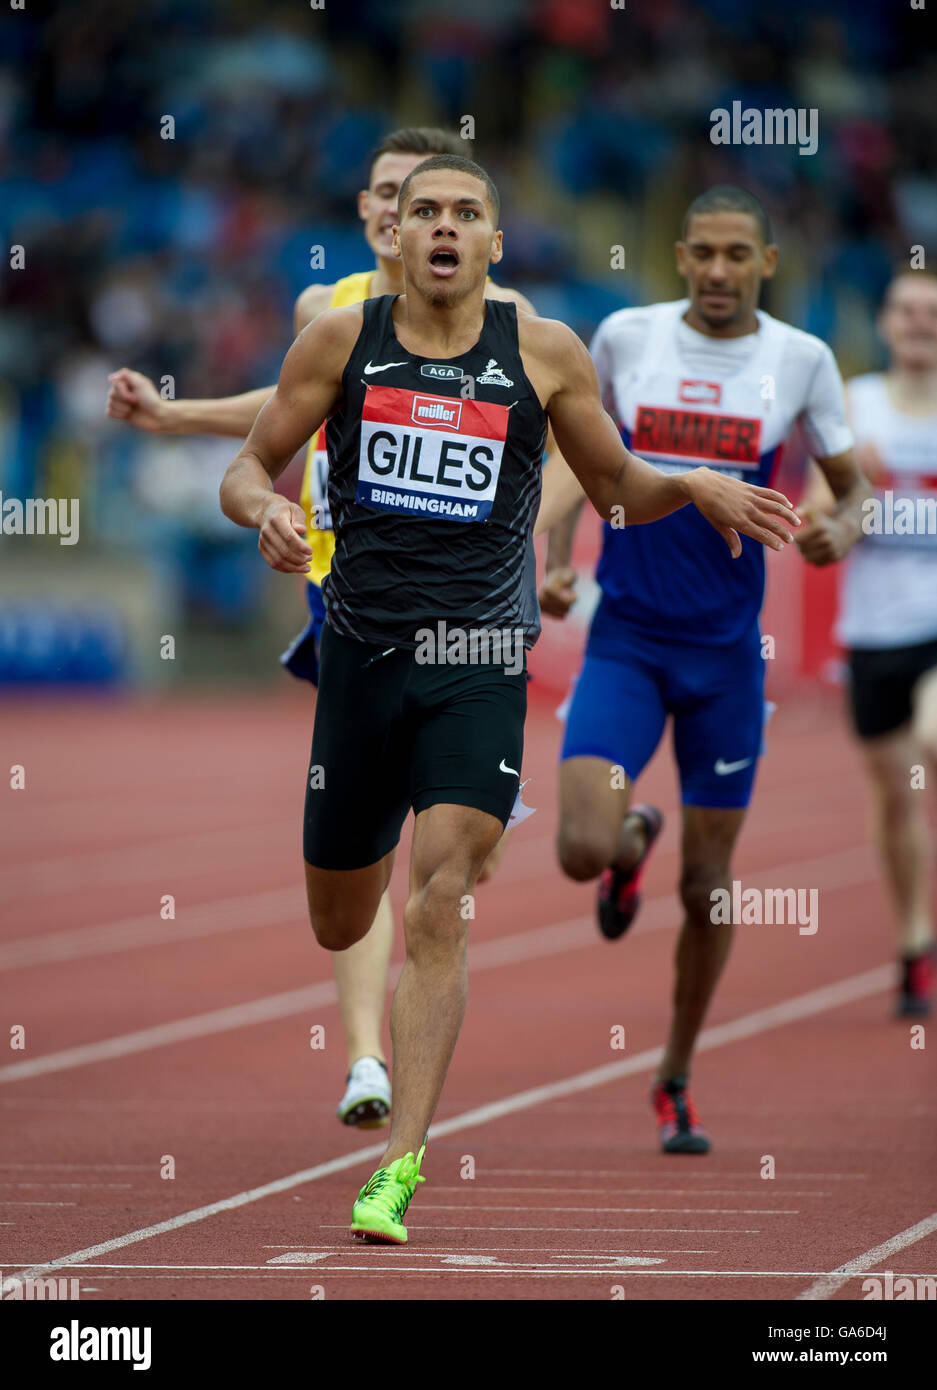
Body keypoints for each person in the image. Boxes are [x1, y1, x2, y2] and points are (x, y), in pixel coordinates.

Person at [219, 156, 801, 1242]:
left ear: (495, 244)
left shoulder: (541, 352)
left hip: (482, 656)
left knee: (440, 898)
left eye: (466, 213)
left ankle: (396, 1172)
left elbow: (617, 482)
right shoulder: (339, 343)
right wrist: (263, 512)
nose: (443, 227)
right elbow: (249, 465)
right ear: (393, 239)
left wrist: (689, 481)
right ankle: (371, 841)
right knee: (339, 915)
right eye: (424, 212)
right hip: (359, 659)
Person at [106, 128, 533, 1131]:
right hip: (343, 586)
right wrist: (182, 424)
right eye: (387, 195)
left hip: (470, 608)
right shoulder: (328, 310)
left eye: (424, 199)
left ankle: (399, 1018)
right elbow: (285, 409)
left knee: (452, 863)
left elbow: (555, 434)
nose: (402, 212)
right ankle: (364, 1054)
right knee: (360, 857)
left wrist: (545, 553)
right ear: (364, 209)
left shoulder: (507, 324)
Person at [539, 186, 867, 1155]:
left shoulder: (800, 360)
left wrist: (832, 535)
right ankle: (631, 836)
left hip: (726, 658)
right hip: (627, 638)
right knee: (577, 847)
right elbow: (579, 455)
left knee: (710, 885)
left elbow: (848, 497)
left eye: (739, 256)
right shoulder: (626, 338)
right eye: (705, 254)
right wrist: (558, 559)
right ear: (679, 256)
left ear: (766, 264)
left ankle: (674, 1073)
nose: (720, 271)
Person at [801, 269, 937, 1017]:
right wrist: (853, 494)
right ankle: (914, 940)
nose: (918, 323)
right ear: (884, 323)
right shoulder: (857, 405)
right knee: (894, 803)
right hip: (873, 632)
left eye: (930, 313)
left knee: (933, 735)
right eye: (906, 311)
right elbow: (815, 522)